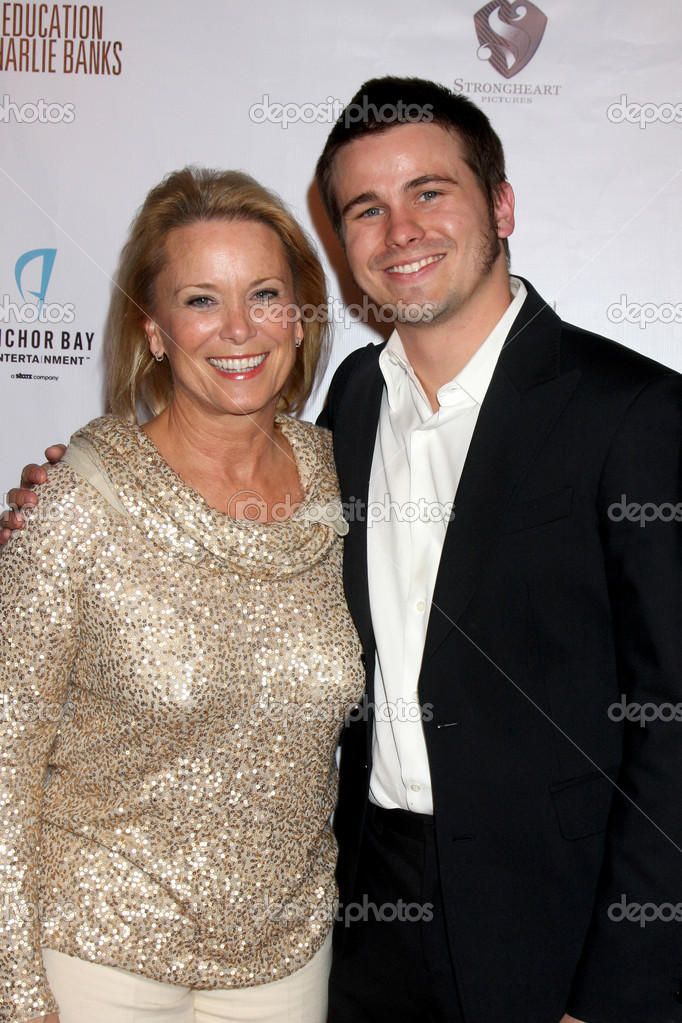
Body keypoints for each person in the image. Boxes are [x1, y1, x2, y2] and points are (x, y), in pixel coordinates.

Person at [5, 78, 682, 1023]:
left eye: (430, 192)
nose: (400, 228)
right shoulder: (350, 409)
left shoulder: (635, 412)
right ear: (344, 242)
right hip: (360, 920)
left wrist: (618, 990)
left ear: (502, 204)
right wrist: (65, 496)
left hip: (551, 924)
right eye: (367, 207)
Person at [0, 165, 364, 1023]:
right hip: (96, 955)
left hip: (287, 960)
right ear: (154, 328)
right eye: (201, 299)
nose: (238, 329)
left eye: (265, 293)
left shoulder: (344, 475)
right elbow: (6, 757)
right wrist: (16, 987)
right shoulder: (78, 500)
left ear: (301, 315)